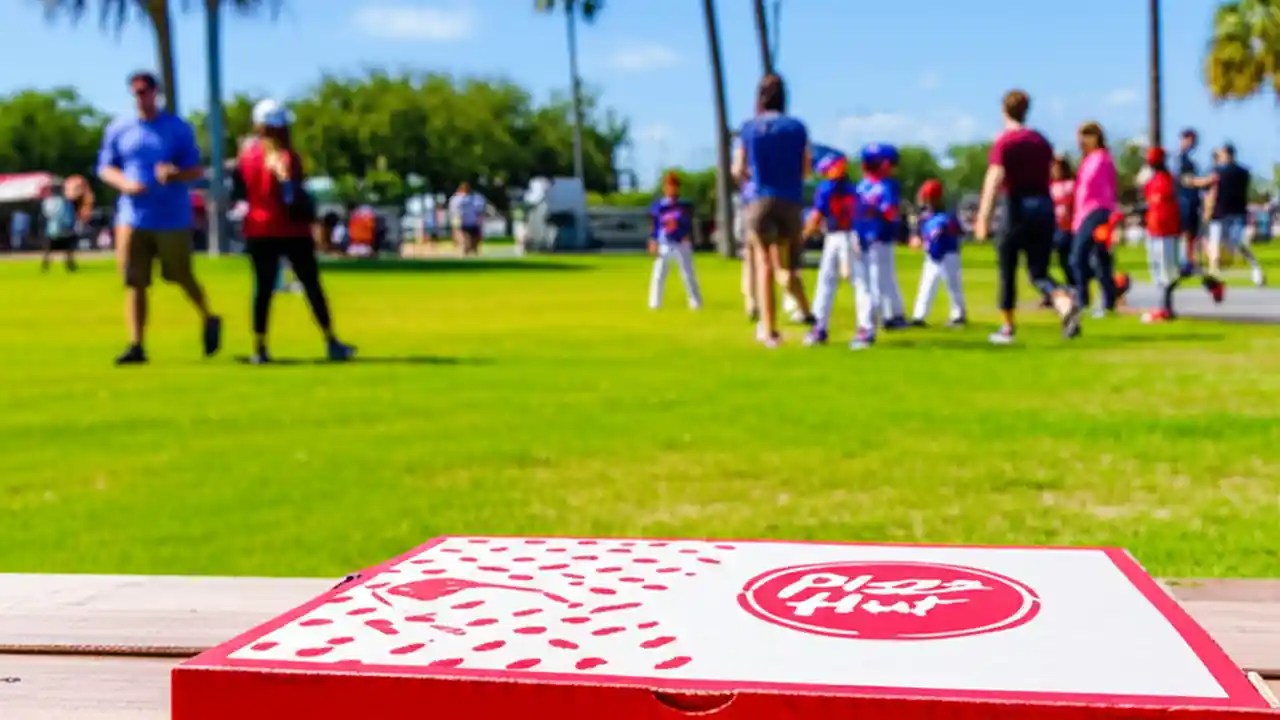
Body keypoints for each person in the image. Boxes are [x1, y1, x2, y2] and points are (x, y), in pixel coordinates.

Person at [98, 71, 221, 365]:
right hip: (132, 215)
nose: (141, 97)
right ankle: (137, 344)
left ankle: (209, 316)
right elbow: (105, 167)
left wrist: (175, 174)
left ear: (156, 92)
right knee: (134, 280)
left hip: (171, 217)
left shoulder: (177, 128)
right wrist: (124, 183)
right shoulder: (120, 128)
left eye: (145, 91)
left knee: (179, 275)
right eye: (136, 92)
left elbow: (197, 171)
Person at [232, 100, 355, 364]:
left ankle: (260, 347)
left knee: (262, 289)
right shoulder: (287, 156)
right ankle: (331, 340)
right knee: (311, 285)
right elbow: (292, 194)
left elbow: (239, 192)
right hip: (291, 228)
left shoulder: (247, 156)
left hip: (257, 227)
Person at [975, 89, 1079, 345]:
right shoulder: (1040, 141)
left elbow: (994, 178)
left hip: (1016, 205)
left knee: (1007, 266)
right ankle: (1064, 303)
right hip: (1044, 205)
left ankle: (1008, 327)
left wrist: (983, 217)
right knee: (1038, 271)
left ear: (1003, 110)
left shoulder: (1005, 142)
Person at [732, 73, 813, 348]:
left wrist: (750, 179)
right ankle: (807, 311)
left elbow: (738, 168)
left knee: (764, 263)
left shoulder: (749, 128)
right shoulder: (797, 128)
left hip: (759, 199)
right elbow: (805, 168)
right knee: (787, 265)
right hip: (790, 199)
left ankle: (769, 330)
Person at [802, 153, 859, 345]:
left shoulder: (826, 188)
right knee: (858, 284)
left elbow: (817, 215)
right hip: (852, 236)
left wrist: (805, 235)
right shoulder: (853, 188)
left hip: (837, 237)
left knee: (827, 283)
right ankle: (864, 326)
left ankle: (819, 328)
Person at [856, 143, 907, 332]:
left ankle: (883, 315)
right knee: (879, 277)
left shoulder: (882, 185)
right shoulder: (868, 185)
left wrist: (872, 211)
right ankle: (891, 314)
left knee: (879, 277)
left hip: (879, 236)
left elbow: (890, 211)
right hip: (867, 236)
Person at [1071, 121, 1120, 318]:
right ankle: (1107, 299)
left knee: (1079, 256)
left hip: (1098, 211)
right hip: (1084, 214)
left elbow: (1107, 189)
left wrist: (1111, 217)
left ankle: (1085, 300)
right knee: (1099, 258)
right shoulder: (1087, 160)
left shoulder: (1102, 159)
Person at [1204, 143, 1266, 286]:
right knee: (1226, 244)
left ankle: (1216, 273)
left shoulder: (1219, 172)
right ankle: (1215, 274)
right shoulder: (1242, 172)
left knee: (1227, 244)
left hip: (1225, 213)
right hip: (1231, 213)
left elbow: (1211, 191)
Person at [909, 179, 966, 327]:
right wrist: (917, 237)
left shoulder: (947, 215)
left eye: (928, 198)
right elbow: (918, 233)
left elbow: (959, 232)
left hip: (949, 254)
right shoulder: (925, 216)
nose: (926, 201)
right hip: (932, 256)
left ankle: (958, 315)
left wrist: (946, 229)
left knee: (953, 286)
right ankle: (918, 316)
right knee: (926, 285)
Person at [646, 172, 702, 310]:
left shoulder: (684, 206)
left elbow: (688, 223)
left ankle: (695, 302)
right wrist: (653, 240)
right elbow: (654, 224)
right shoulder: (659, 206)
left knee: (687, 273)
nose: (671, 189)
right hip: (664, 242)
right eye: (668, 185)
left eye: (674, 185)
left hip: (681, 242)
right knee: (659, 273)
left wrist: (689, 235)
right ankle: (655, 303)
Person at [1048, 154, 1076, 292]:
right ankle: (1053, 290)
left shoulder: (1071, 185)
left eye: (1059, 167)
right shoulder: (1050, 186)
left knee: (1068, 260)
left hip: (1069, 228)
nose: (1056, 170)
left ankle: (1073, 286)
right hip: (1055, 228)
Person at [40, 179, 79, 272]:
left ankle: (46, 266)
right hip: (63, 230)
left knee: (49, 250)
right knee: (68, 249)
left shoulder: (47, 201)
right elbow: (70, 217)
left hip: (52, 230)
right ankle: (70, 266)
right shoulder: (66, 202)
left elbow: (45, 215)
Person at [449, 182, 485, 256]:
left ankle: (469, 250)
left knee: (470, 238)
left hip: (469, 221)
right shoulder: (459, 198)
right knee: (466, 238)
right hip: (466, 221)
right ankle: (466, 250)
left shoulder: (457, 198)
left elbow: (453, 210)